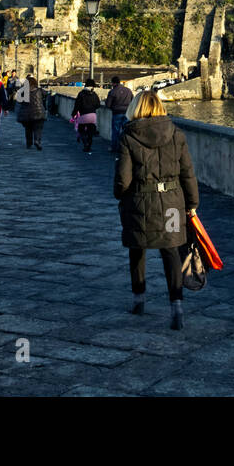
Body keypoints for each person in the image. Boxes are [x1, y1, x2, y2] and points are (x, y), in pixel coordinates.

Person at [113, 90, 198, 330]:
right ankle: (177, 305)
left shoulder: (128, 136)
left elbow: (123, 178)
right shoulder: (176, 134)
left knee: (137, 249)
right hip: (171, 201)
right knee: (171, 251)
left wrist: (119, 193)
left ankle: (139, 299)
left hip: (139, 200)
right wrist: (192, 204)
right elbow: (187, 173)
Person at [16, 75, 48, 149]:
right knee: (38, 128)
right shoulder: (39, 90)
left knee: (28, 129)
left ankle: (29, 143)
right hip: (39, 112)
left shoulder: (23, 91)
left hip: (26, 114)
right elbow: (46, 95)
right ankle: (37, 141)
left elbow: (19, 101)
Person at [104, 75, 134, 154]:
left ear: (113, 83)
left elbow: (108, 105)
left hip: (117, 113)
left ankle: (114, 148)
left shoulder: (112, 92)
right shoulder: (128, 90)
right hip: (127, 114)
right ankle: (127, 147)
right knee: (126, 131)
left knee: (116, 132)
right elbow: (132, 101)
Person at [71, 78, 102, 153]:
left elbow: (77, 105)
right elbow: (98, 105)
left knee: (81, 130)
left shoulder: (81, 93)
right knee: (90, 132)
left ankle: (85, 144)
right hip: (93, 116)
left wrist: (73, 114)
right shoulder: (94, 94)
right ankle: (89, 145)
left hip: (83, 115)